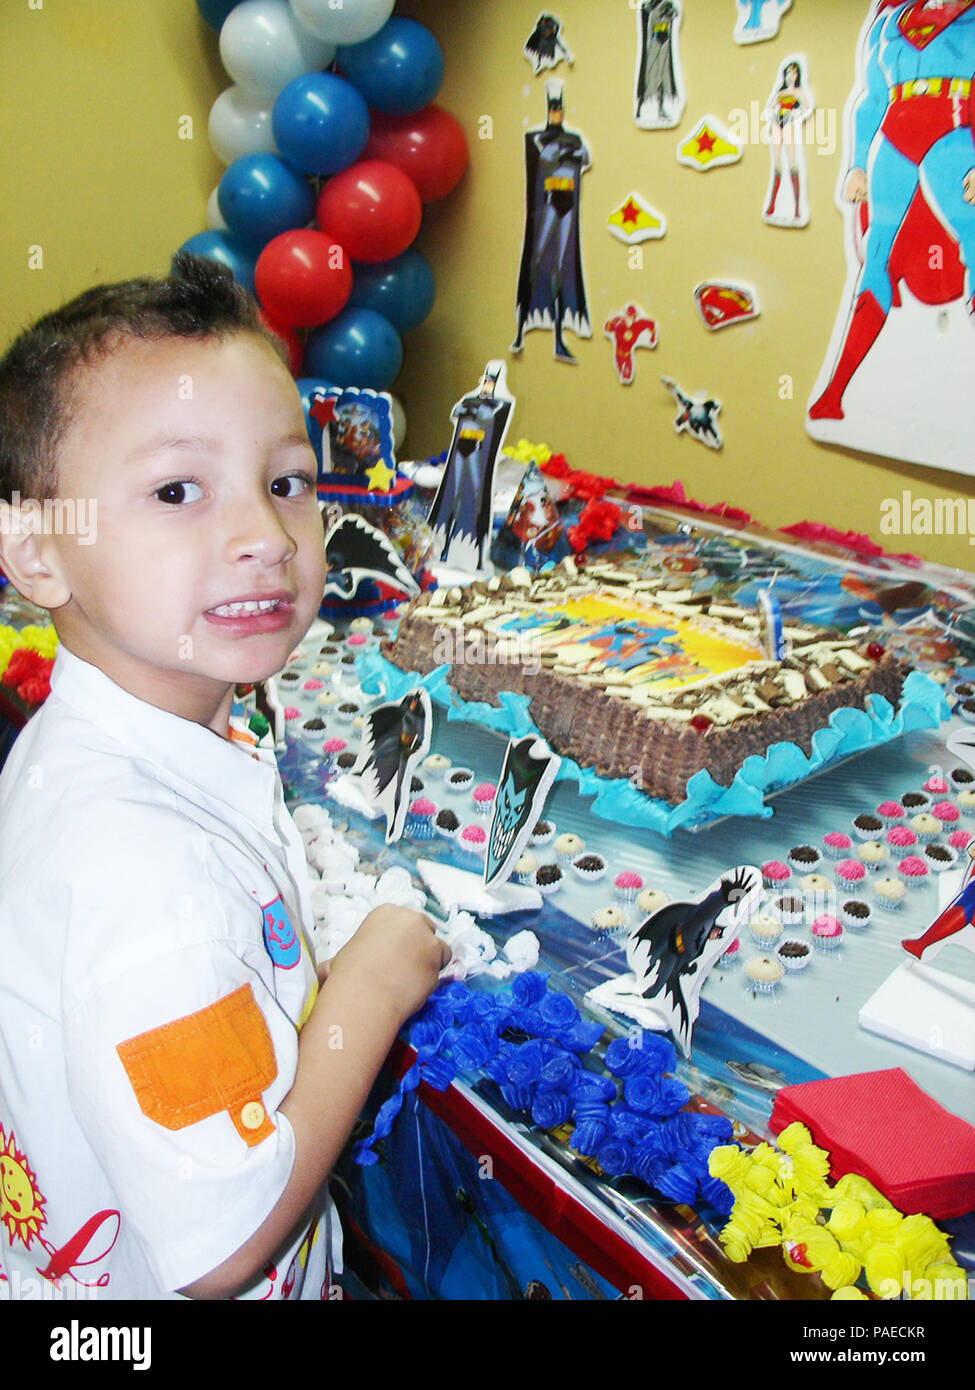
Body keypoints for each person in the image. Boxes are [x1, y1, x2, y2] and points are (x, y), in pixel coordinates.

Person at [0, 254, 448, 1300]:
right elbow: (217, 1241)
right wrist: (369, 989)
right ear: (37, 554)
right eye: (175, 490)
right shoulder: (146, 873)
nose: (262, 536)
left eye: (285, 481)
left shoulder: (99, 741)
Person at [810, 0, 975, 420]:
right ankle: (834, 395)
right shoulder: (888, 22)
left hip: (954, 132)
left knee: (973, 242)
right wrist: (857, 165)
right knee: (876, 258)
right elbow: (872, 99)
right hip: (895, 136)